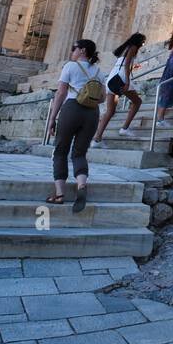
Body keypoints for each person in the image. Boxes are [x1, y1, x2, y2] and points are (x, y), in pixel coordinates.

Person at [46, 38, 103, 213]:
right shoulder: (99, 71)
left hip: (72, 109)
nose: (72, 51)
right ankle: (81, 186)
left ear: (83, 50)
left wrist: (52, 118)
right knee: (79, 153)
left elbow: (61, 92)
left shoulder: (70, 67)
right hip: (92, 113)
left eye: (74, 48)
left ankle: (60, 194)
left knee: (61, 150)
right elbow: (102, 97)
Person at [93, 32, 146, 144]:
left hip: (113, 77)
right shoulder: (133, 47)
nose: (144, 44)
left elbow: (123, 64)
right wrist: (127, 82)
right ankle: (124, 128)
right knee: (137, 102)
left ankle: (97, 137)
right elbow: (126, 65)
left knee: (110, 111)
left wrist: (133, 67)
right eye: (143, 41)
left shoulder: (125, 48)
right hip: (121, 78)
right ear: (139, 41)